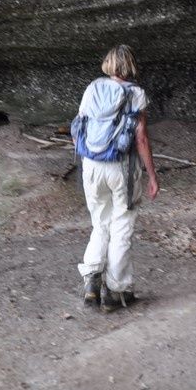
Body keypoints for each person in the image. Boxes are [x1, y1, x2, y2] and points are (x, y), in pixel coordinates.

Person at [76, 45, 160, 313]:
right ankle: (116, 291)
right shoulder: (136, 93)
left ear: (108, 64)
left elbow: (79, 126)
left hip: (91, 165)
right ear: (131, 65)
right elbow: (141, 138)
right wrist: (152, 175)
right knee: (122, 226)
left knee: (100, 223)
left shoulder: (92, 88)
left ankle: (91, 282)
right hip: (121, 167)